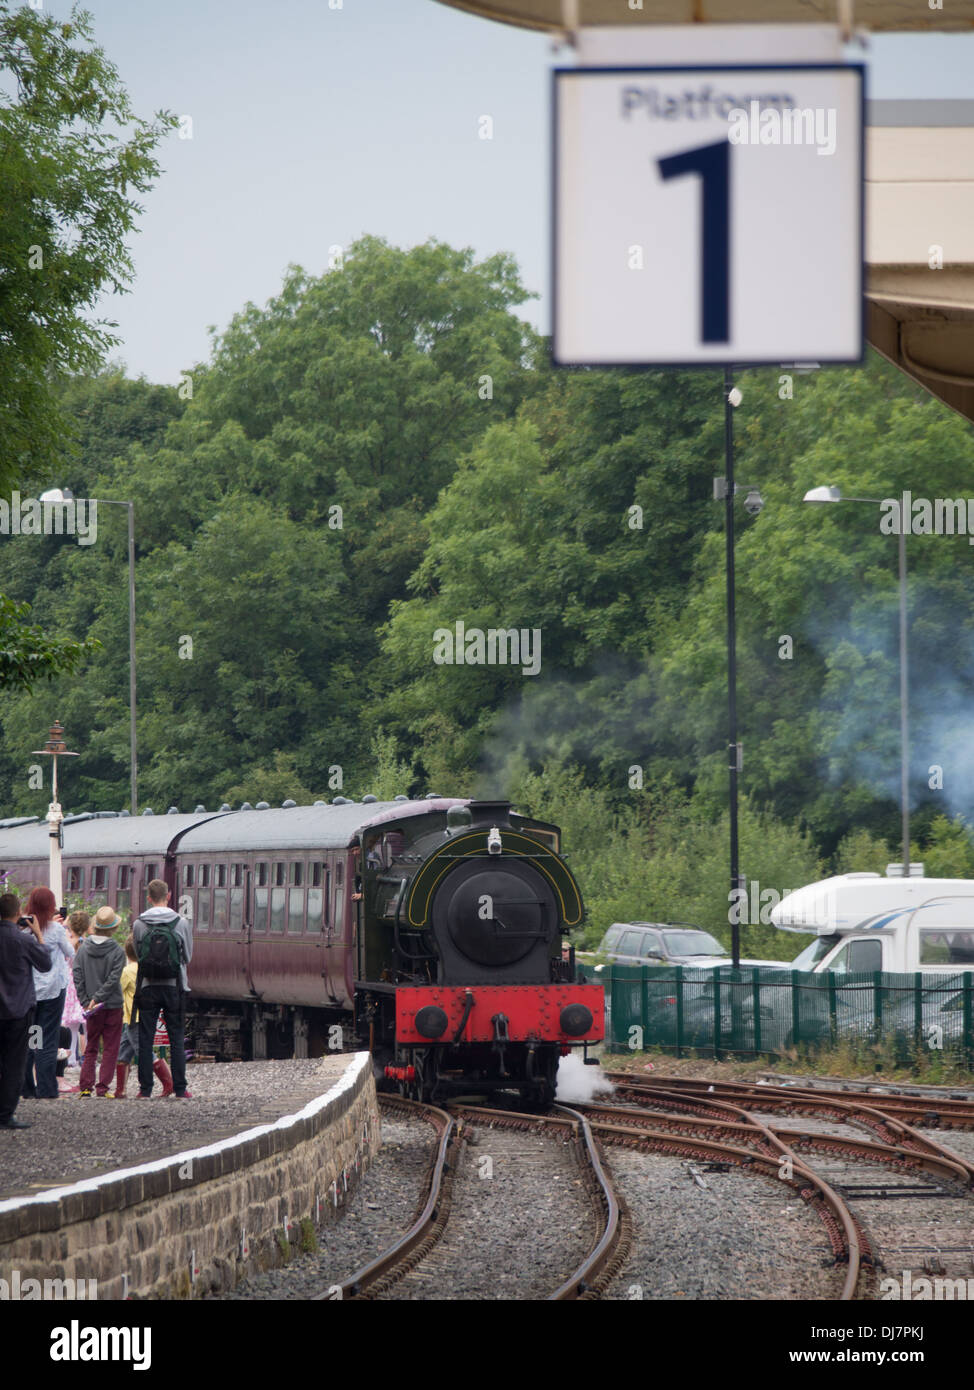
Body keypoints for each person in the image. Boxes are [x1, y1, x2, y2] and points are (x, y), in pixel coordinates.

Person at [133, 879, 192, 1099]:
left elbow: (139, 955)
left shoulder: (139, 924)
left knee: (145, 1037)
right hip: (174, 987)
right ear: (168, 896)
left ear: (149, 898)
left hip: (147, 986)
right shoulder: (180, 923)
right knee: (176, 1038)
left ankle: (145, 1089)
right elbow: (186, 957)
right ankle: (180, 1088)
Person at [0, 892, 52, 1129]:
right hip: (19, 1011)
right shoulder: (23, 940)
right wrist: (39, 935)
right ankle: (5, 1115)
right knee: (14, 1063)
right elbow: (45, 964)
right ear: (19, 912)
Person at [21, 886, 74, 1100]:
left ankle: (27, 1088)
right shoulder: (56, 929)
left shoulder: (23, 930)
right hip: (53, 992)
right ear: (51, 906)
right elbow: (71, 953)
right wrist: (66, 929)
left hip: (30, 993)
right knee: (49, 1039)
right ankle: (47, 1088)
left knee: (33, 1037)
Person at [73, 906, 125, 1098]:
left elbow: (77, 975)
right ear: (113, 929)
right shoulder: (118, 951)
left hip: (91, 1008)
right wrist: (98, 998)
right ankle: (103, 1088)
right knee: (111, 1047)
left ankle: (85, 1087)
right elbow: (113, 979)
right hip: (112, 1005)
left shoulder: (83, 948)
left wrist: (87, 1000)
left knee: (91, 1045)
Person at [112, 935, 140, 1099]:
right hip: (138, 1016)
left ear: (126, 953)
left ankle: (168, 1083)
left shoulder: (127, 971)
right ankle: (120, 1089)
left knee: (142, 1051)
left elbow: (118, 989)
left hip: (132, 1016)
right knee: (124, 1051)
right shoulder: (144, 968)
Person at [62, 912, 88, 1067]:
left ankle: (70, 1058)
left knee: (71, 1025)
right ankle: (89, 1056)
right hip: (84, 983)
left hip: (70, 983)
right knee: (88, 1024)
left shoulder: (68, 943)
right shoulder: (86, 943)